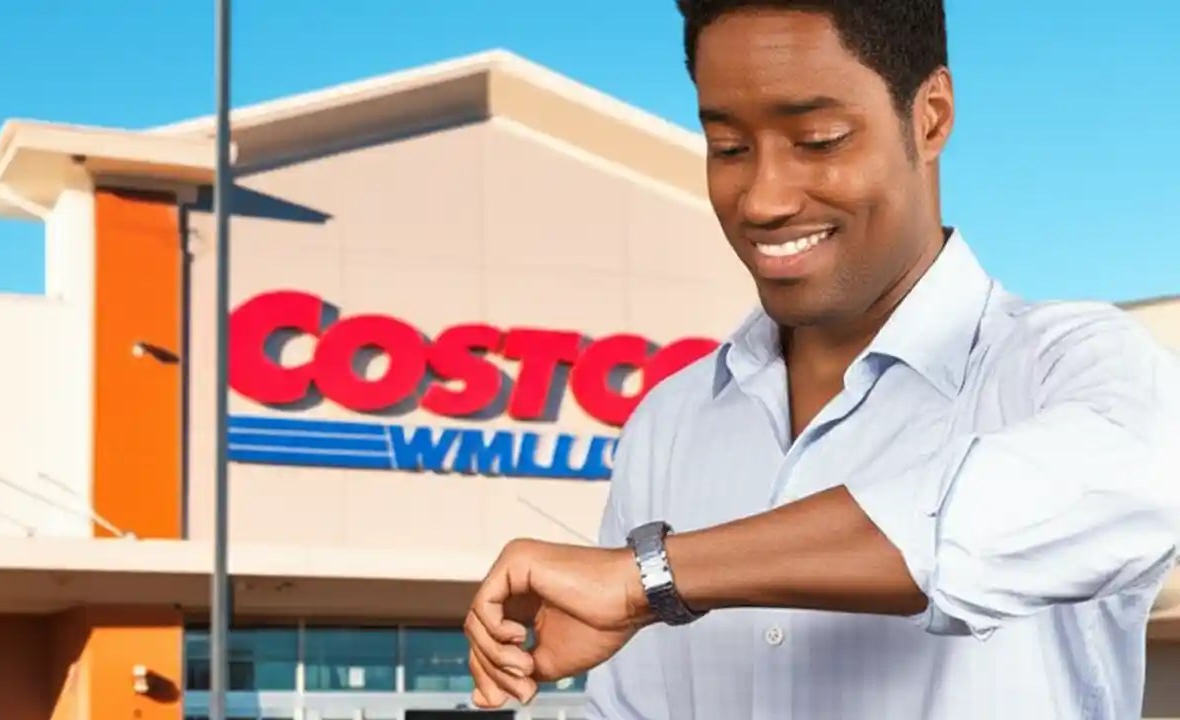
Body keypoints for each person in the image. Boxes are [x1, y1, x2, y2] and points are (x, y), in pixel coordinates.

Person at [463, 1, 1180, 718]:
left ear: (929, 117)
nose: (764, 200)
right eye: (730, 149)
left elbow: (1122, 487)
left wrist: (655, 576)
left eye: (818, 140)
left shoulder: (1069, 367)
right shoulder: (670, 422)